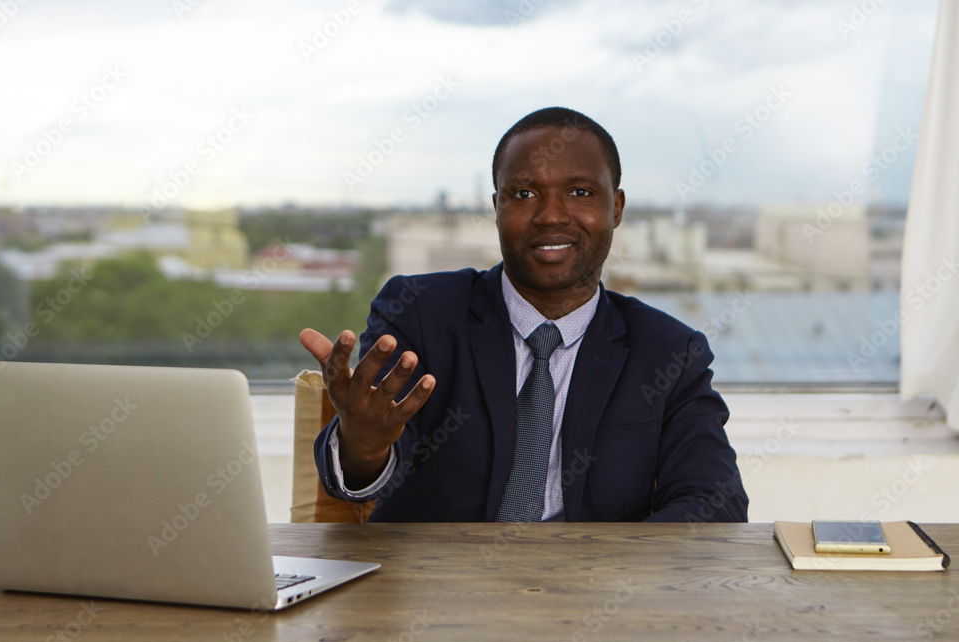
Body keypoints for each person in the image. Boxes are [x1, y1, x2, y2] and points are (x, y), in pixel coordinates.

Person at [300, 107, 748, 522]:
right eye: (524, 193)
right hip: (437, 596)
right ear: (497, 208)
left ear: (616, 208)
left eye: (579, 192)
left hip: (595, 594)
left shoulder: (669, 352)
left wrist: (606, 575)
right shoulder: (419, 312)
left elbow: (715, 500)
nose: (551, 216)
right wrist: (363, 444)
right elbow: (360, 475)